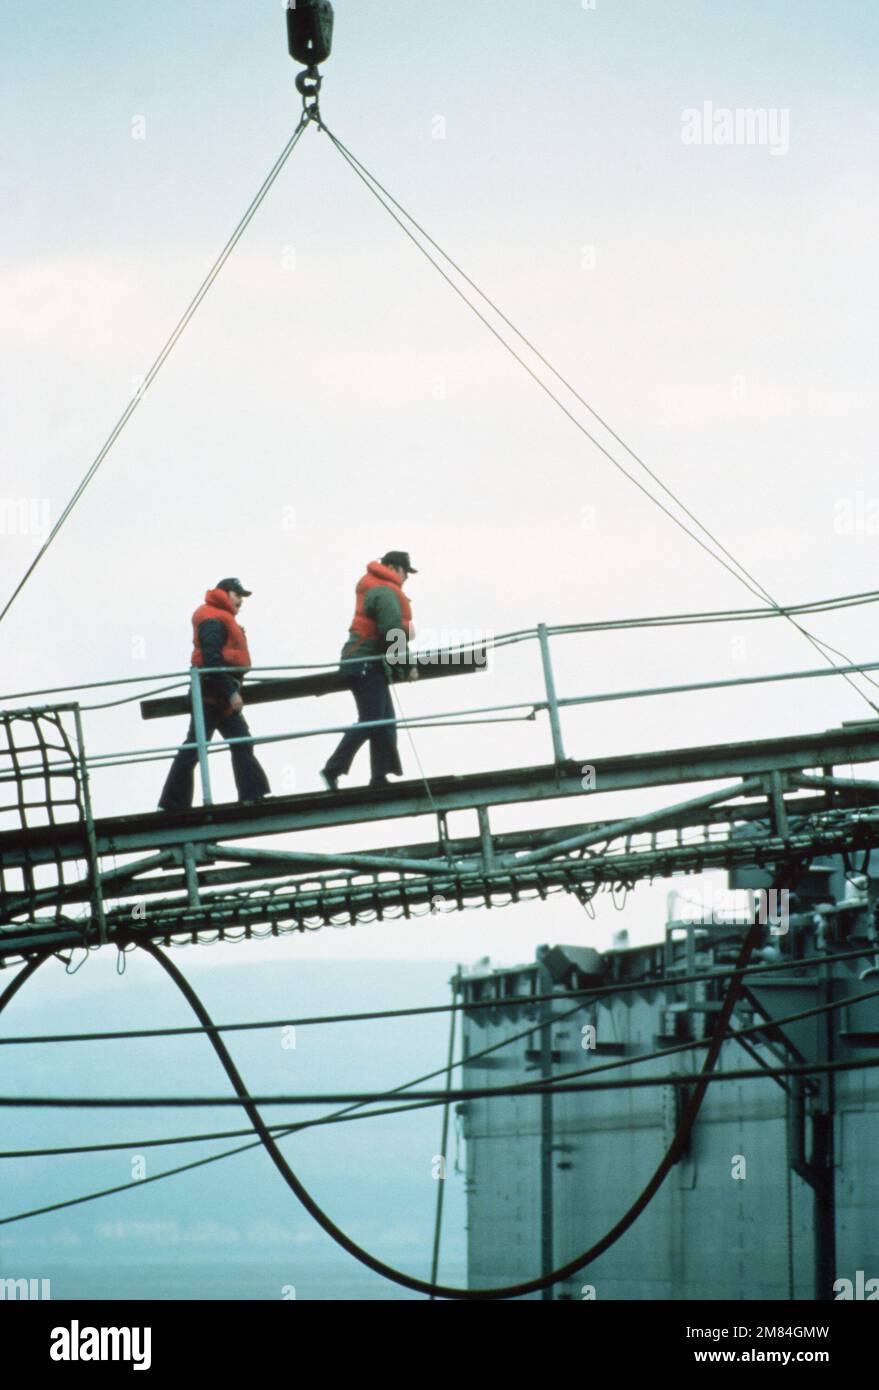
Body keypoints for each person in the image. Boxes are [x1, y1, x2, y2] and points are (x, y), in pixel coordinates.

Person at [158, 578, 270, 812]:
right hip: (212, 695)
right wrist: (231, 693)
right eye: (237, 595)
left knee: (238, 741)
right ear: (225, 594)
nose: (241, 601)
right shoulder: (211, 618)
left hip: (217, 694)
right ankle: (171, 804)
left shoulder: (217, 616)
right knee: (196, 746)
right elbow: (211, 660)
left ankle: (253, 794)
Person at [321, 551, 420, 791]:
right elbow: (390, 631)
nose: (407, 578)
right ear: (396, 568)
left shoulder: (376, 587)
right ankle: (333, 768)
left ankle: (379, 776)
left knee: (384, 721)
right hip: (364, 663)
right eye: (406, 572)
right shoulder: (384, 591)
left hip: (365, 663)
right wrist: (407, 666)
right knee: (373, 719)